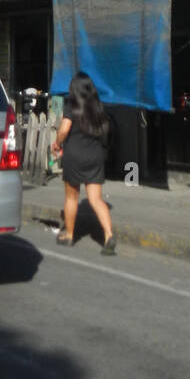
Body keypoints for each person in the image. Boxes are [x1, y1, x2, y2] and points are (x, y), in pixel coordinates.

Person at [51, 72, 116, 255]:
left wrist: (57, 143)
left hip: (75, 155)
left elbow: (64, 130)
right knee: (95, 199)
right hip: (95, 156)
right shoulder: (98, 107)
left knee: (72, 198)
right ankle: (109, 235)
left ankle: (70, 235)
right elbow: (106, 130)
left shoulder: (71, 106)